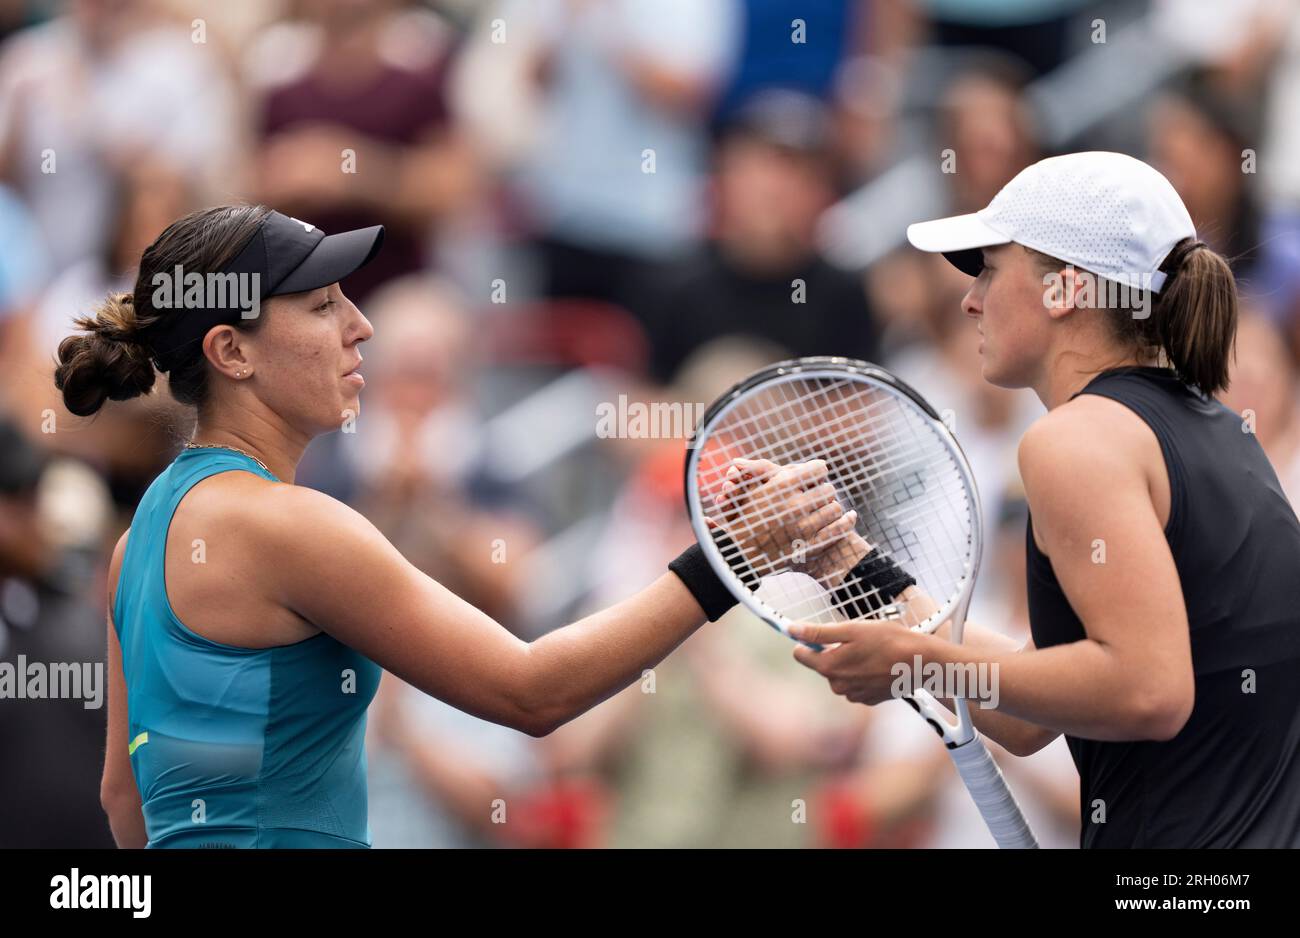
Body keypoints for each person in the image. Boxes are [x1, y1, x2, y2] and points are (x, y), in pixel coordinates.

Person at [56, 204, 855, 849]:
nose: (360, 326)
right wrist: (727, 560)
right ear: (231, 350)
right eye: (323, 304)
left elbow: (124, 796)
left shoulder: (140, 540)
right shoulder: (290, 527)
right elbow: (530, 691)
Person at [790, 151, 1300, 847]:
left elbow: (1148, 689)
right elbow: (1028, 716)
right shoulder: (1214, 431)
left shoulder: (1074, 442)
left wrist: (914, 664)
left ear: (1063, 289)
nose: (969, 299)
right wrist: (848, 563)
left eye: (990, 269)